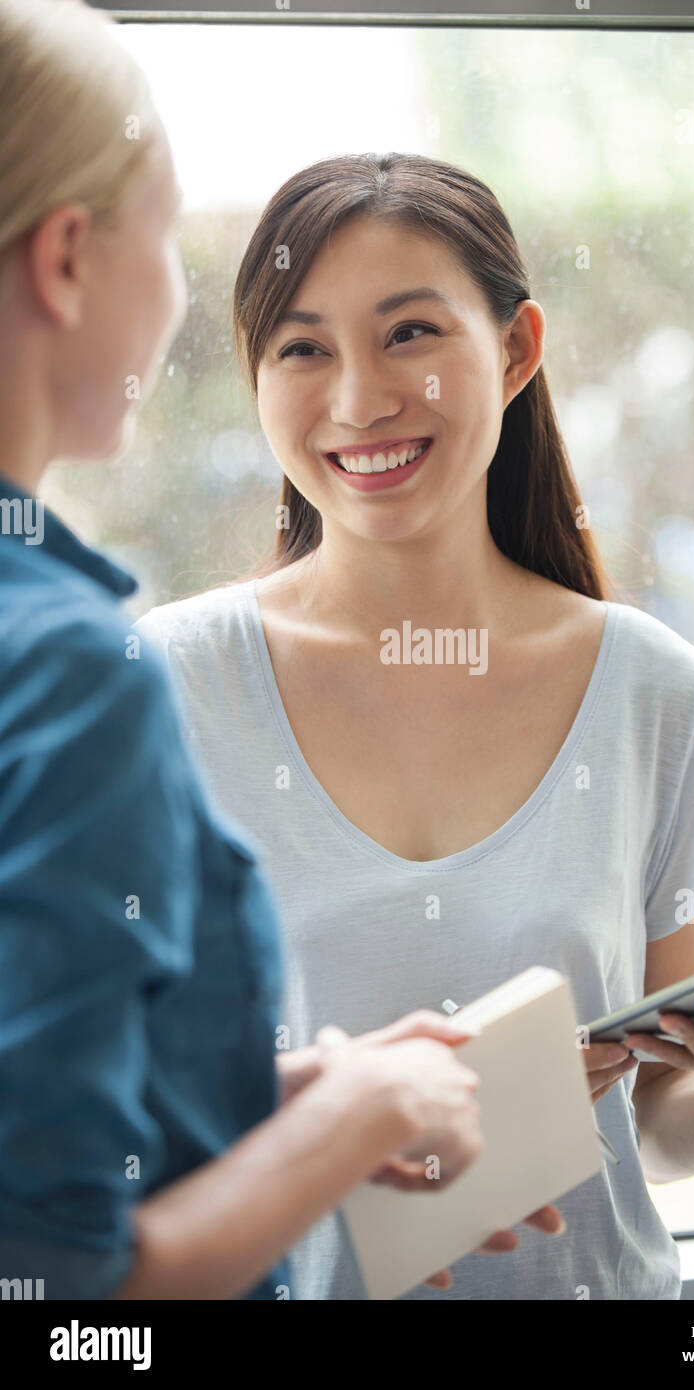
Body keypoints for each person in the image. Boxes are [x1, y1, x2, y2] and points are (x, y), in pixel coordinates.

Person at [136, 149, 694, 1300]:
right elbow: (96, 1109)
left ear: (514, 351)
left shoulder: (655, 691)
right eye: (303, 347)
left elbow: (652, 1121)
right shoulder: (162, 685)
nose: (359, 400)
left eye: (410, 333)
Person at [0, 0, 563, 1302]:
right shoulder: (79, 673)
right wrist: (349, 1123)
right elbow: (65, 1297)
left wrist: (302, 1096)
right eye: (170, 234)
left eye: (411, 330)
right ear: (71, 259)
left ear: (516, 350)